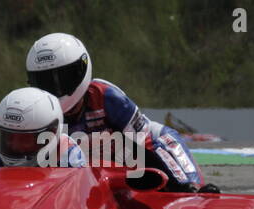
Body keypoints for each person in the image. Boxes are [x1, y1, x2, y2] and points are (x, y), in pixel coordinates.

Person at [23, 32, 214, 192]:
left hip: (143, 151)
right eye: (44, 82)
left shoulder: (106, 96)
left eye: (62, 78)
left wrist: (179, 186)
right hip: (95, 167)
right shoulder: (33, 109)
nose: (55, 89)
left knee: (185, 185)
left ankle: (193, 192)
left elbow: (142, 145)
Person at [0, 88, 86, 168]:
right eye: (8, 138)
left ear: (50, 136)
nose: (14, 146)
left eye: (24, 139)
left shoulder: (68, 158)